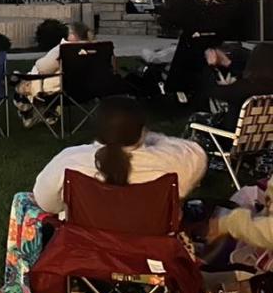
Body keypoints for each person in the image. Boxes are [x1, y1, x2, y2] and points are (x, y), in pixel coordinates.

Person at [32, 95, 207, 215]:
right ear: (142, 130)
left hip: (88, 252)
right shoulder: (177, 162)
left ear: (97, 128)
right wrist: (150, 137)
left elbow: (46, 202)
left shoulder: (70, 161)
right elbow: (196, 151)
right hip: (151, 254)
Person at [14, 20, 91, 129]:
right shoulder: (94, 49)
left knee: (21, 84)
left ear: (73, 35)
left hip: (59, 89)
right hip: (84, 89)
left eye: (68, 33)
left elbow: (43, 67)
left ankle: (30, 113)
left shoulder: (65, 49)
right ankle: (47, 113)